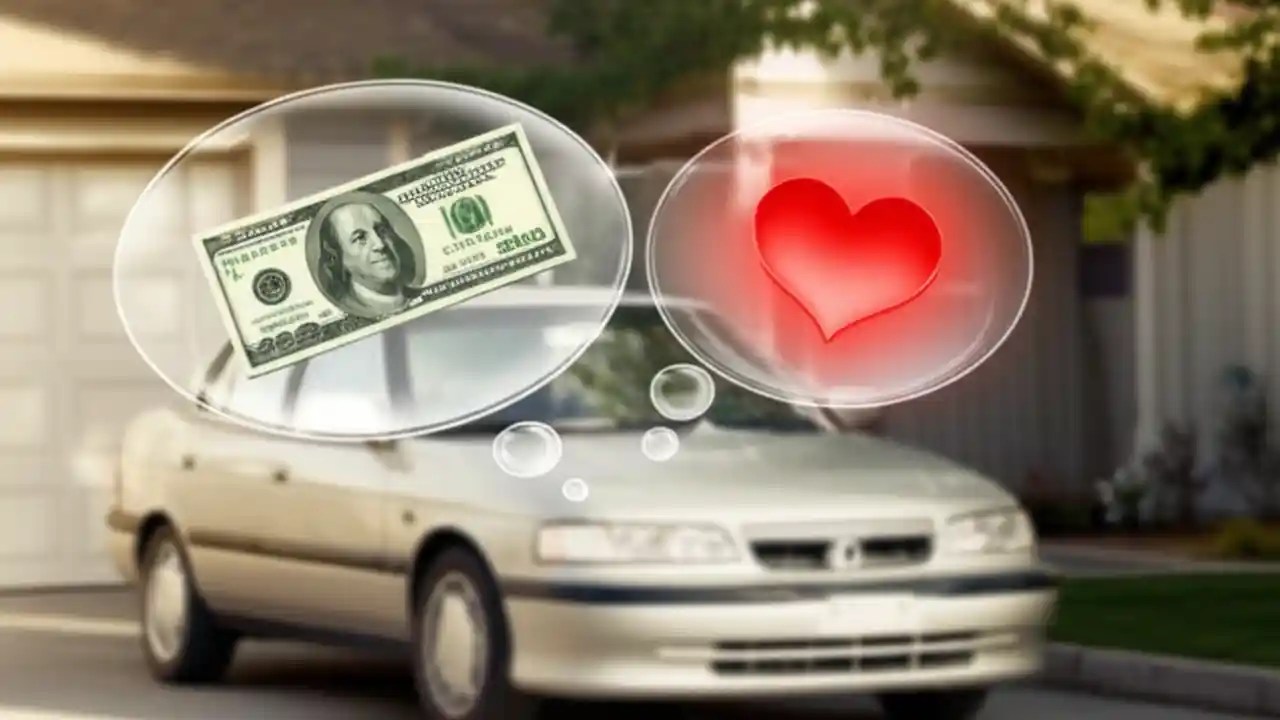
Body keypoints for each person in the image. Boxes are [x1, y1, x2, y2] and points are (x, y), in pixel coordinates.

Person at [316, 201, 418, 317]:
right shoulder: (347, 307)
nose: (380, 244)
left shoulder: (417, 292)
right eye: (360, 238)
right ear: (338, 257)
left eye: (382, 231)